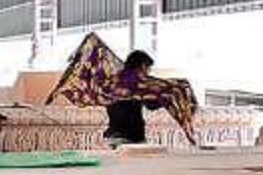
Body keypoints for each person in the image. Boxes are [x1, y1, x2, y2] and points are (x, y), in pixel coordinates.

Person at [47, 33, 199, 146]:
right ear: (142, 66)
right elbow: (152, 104)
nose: (148, 73)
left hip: (112, 137)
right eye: (148, 69)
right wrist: (175, 95)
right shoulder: (139, 84)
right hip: (132, 139)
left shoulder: (112, 81)